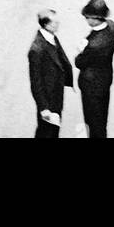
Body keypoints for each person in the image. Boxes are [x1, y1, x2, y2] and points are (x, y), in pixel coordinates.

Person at [75, 0, 114, 140]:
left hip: (91, 85)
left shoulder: (93, 45)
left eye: (87, 17)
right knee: (101, 117)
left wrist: (82, 49)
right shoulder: (111, 27)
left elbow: (79, 63)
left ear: (93, 19)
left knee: (93, 121)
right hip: (104, 79)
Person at [28, 9, 74, 139]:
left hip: (56, 95)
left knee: (52, 131)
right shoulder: (37, 50)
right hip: (48, 100)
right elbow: (36, 81)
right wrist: (43, 108)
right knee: (45, 132)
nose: (58, 22)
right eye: (54, 21)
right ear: (46, 25)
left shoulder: (51, 37)